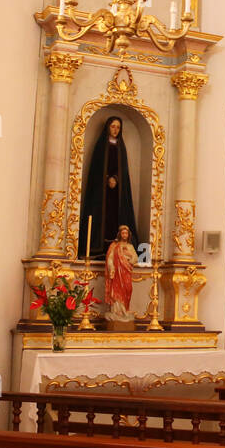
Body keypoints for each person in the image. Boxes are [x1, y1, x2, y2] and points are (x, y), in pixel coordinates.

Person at [79, 116, 140, 259]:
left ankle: (117, 247)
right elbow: (96, 170)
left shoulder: (121, 147)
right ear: (107, 127)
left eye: (118, 127)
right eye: (113, 126)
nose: (115, 130)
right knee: (101, 218)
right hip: (101, 193)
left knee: (115, 217)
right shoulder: (101, 146)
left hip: (117, 194)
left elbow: (123, 171)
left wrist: (116, 179)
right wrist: (107, 179)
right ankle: (97, 248)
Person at [105, 224, 137, 324]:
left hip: (126, 271)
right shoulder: (115, 246)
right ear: (120, 234)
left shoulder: (130, 246)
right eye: (123, 233)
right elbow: (110, 258)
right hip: (117, 273)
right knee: (117, 290)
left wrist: (129, 257)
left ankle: (125, 309)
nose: (124, 235)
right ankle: (117, 311)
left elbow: (135, 259)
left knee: (128, 289)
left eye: (126, 233)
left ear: (128, 235)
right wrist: (112, 268)